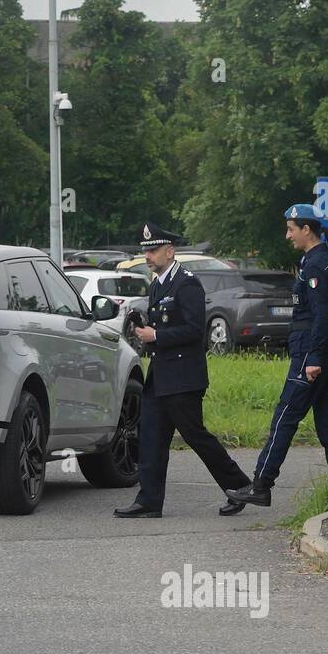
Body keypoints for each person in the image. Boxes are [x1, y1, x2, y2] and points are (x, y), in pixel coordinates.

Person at [114, 222, 252, 518]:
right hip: (160, 376)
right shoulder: (157, 284)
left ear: (170, 251)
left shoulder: (186, 283)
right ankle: (149, 501)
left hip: (183, 378)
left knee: (196, 437)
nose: (147, 256)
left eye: (153, 250)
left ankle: (240, 487)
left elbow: (194, 330)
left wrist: (158, 336)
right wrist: (145, 329)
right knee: (150, 437)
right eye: (145, 251)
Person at [227, 204, 328, 511]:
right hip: (327, 349)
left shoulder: (315, 266)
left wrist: (312, 357)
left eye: (291, 229)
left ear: (306, 230)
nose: (288, 235)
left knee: (285, 417)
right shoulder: (324, 262)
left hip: (312, 352)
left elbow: (321, 315)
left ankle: (261, 485)